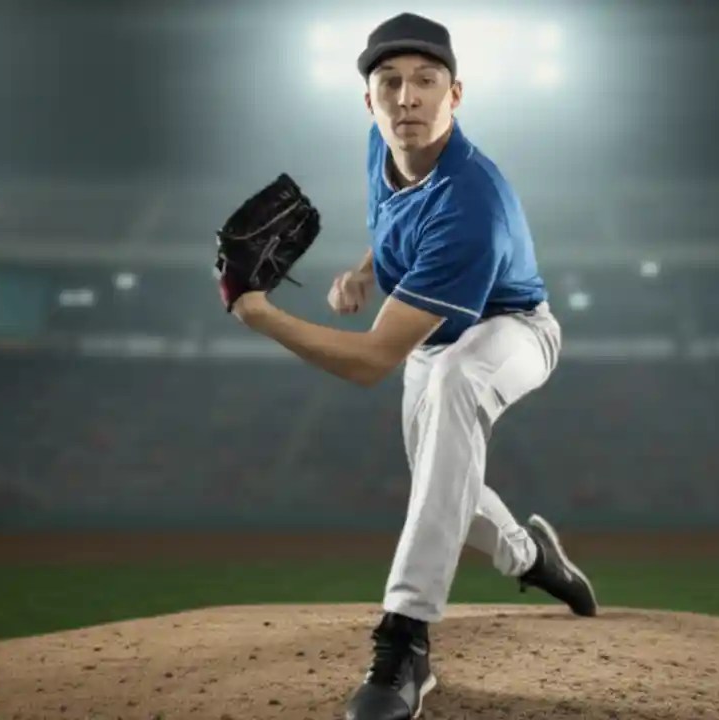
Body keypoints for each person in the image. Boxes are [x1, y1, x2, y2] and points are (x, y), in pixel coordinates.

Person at [224, 12, 597, 720]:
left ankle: (407, 638)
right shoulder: (383, 143)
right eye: (390, 82)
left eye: (426, 81)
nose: (407, 98)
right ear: (370, 101)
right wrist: (367, 267)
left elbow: (370, 361)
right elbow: (397, 219)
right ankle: (531, 557)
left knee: (458, 387)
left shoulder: (472, 199)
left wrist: (260, 313)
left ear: (457, 94)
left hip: (513, 328)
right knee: (442, 477)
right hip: (431, 336)